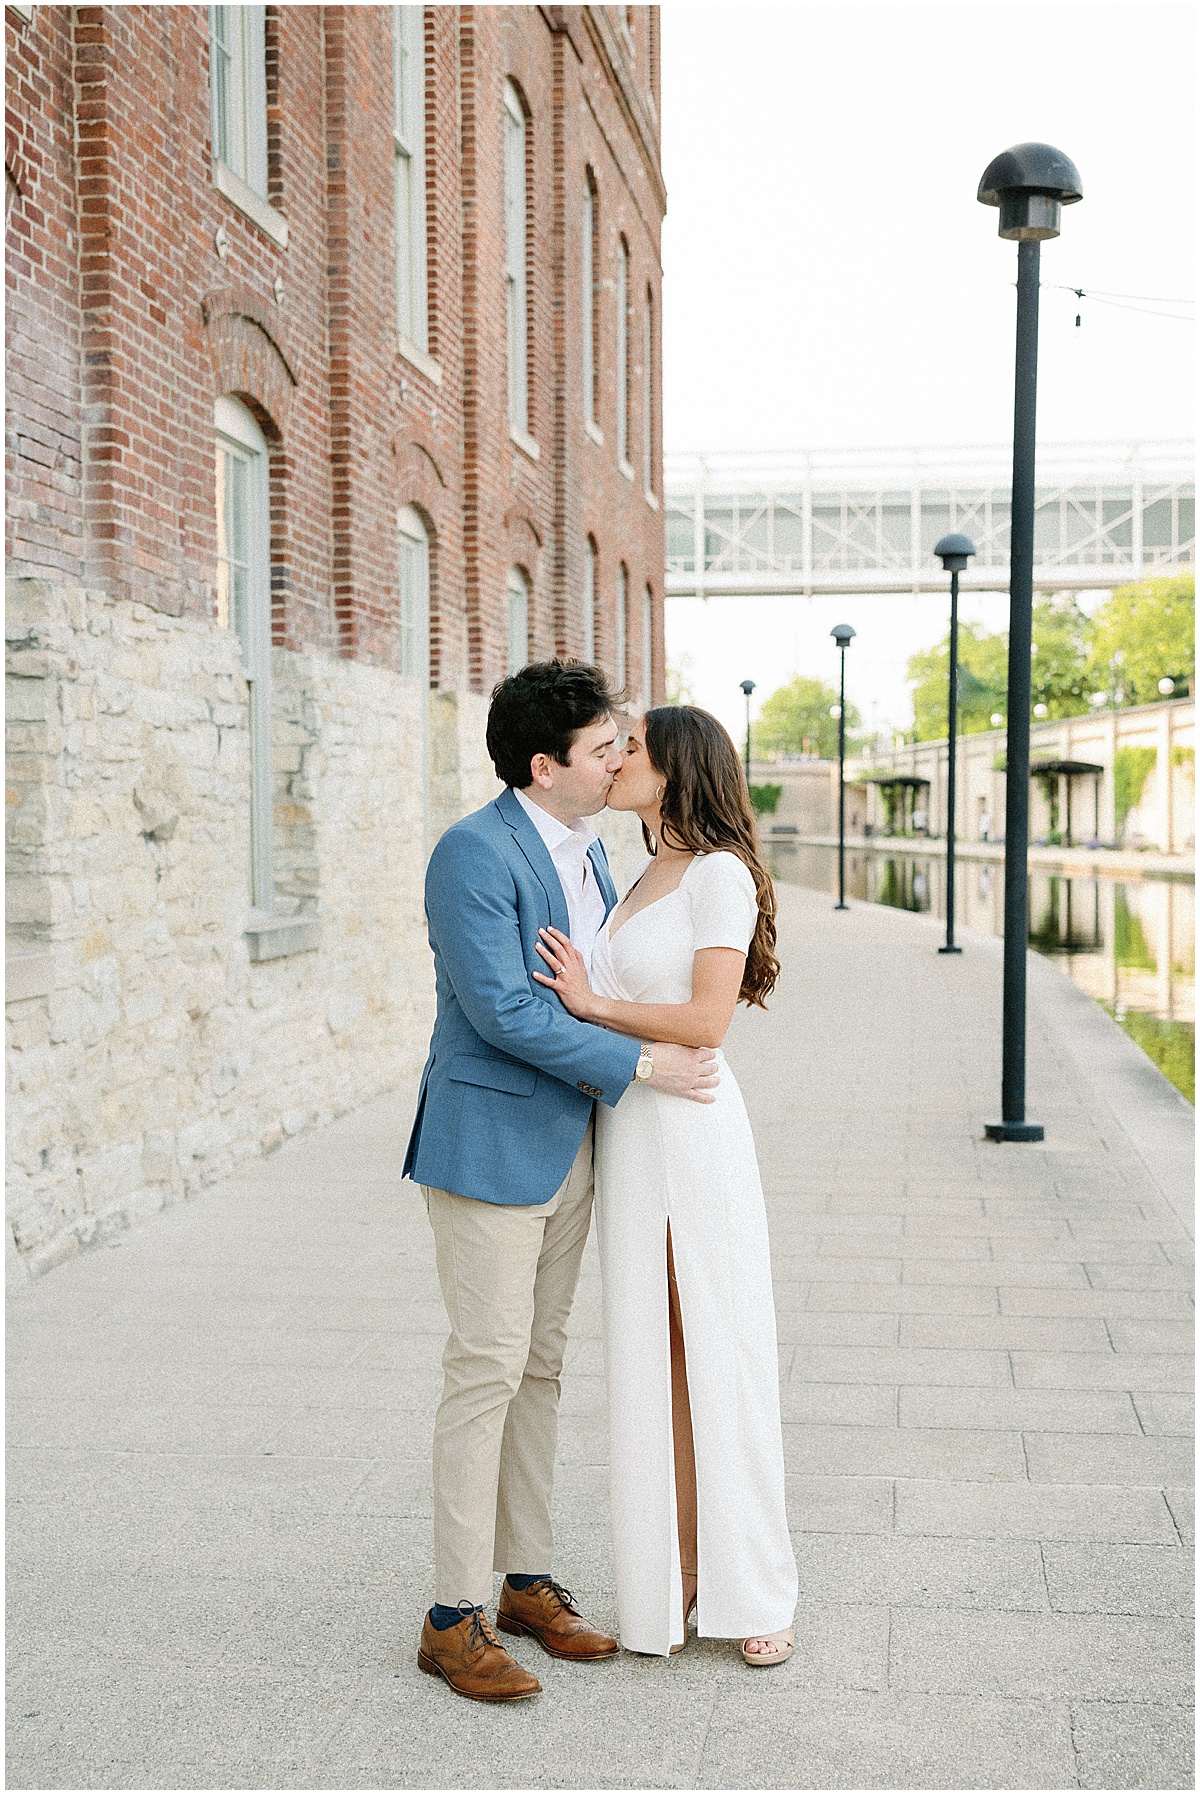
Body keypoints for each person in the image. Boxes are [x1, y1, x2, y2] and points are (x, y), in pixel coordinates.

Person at [404, 661, 720, 1702]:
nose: (623, 757)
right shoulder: (474, 852)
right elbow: (501, 1009)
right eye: (604, 749)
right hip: (490, 1146)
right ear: (546, 766)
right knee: (484, 1368)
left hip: (572, 1147)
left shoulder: (593, 855)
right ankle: (452, 1616)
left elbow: (601, 990)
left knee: (539, 1367)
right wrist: (639, 1065)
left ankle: (525, 1580)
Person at [532, 705, 798, 1664]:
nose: (617, 759)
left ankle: (758, 1590)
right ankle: (680, 1577)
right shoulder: (638, 872)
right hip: (632, 1138)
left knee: (719, 1358)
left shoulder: (720, 874)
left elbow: (709, 1019)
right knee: (659, 1366)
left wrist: (591, 1001)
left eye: (633, 748)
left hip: (692, 1134)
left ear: (677, 768)